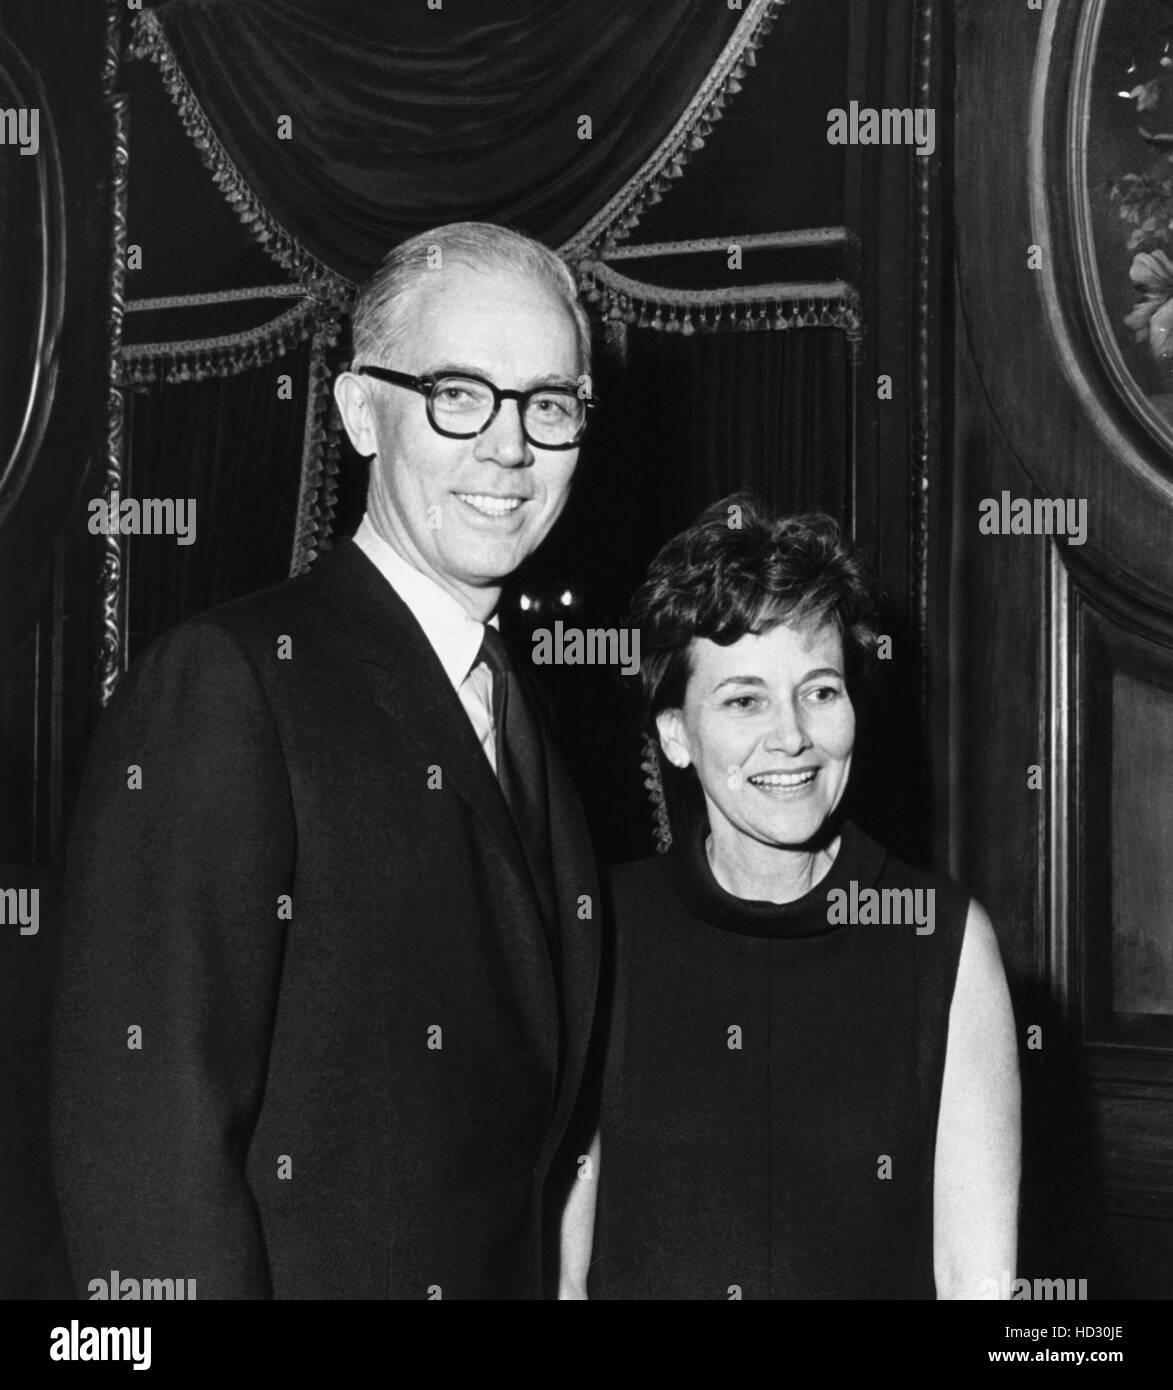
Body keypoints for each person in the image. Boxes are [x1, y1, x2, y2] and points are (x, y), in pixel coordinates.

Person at [51, 222, 601, 1300]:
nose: (508, 446)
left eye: (548, 403)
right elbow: (146, 1154)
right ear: (360, 412)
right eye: (457, 393)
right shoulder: (230, 684)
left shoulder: (528, 714)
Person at [581, 496, 1020, 1300]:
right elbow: (563, 1277)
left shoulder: (942, 941)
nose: (790, 736)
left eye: (819, 691)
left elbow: (977, 1284)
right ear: (675, 733)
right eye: (743, 699)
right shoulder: (600, 930)